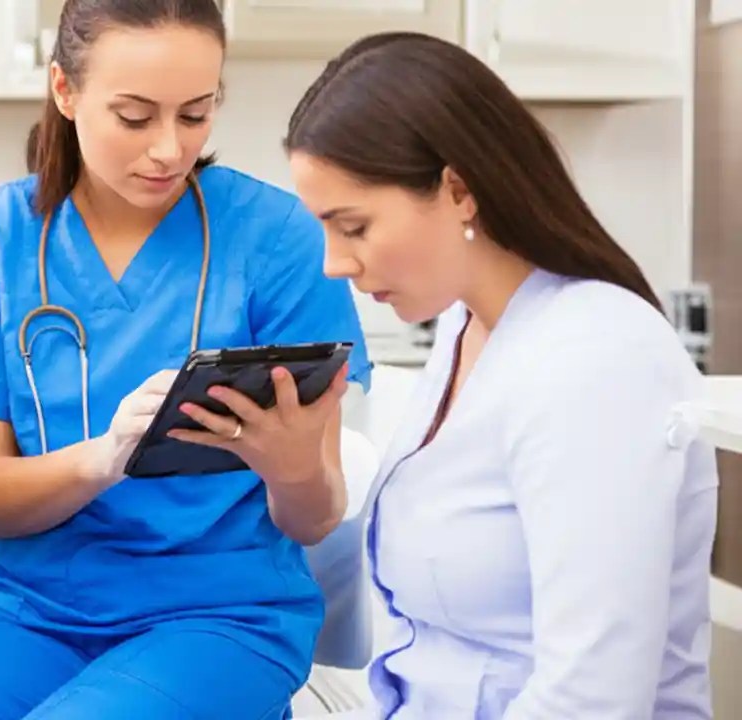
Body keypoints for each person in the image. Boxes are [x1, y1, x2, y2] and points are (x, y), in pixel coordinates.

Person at [0, 1, 372, 718]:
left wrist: (292, 468)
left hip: (222, 618)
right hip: (36, 614)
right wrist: (106, 457)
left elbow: (316, 518)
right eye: (135, 117)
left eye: (196, 114)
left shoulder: (277, 237)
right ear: (65, 91)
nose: (168, 149)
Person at [279, 31, 720, 718]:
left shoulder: (597, 358)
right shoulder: (469, 327)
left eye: (354, 227)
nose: (334, 263)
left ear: (458, 189)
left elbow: (592, 697)